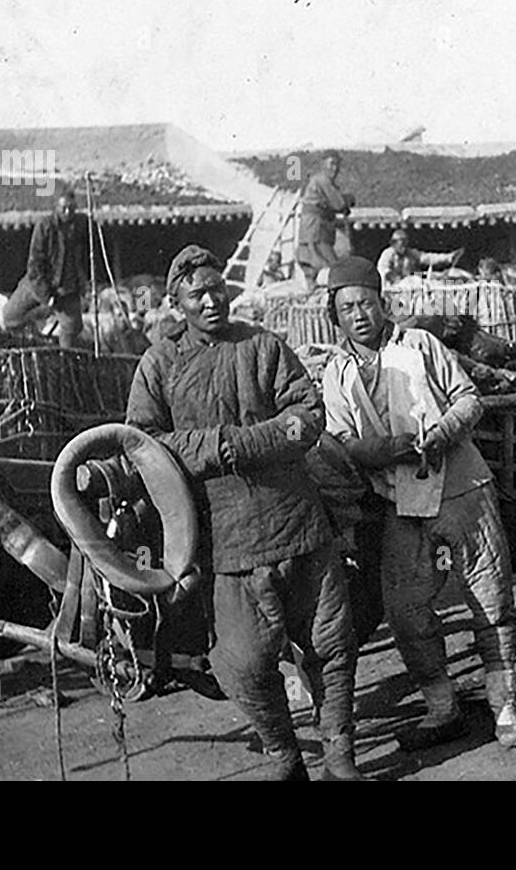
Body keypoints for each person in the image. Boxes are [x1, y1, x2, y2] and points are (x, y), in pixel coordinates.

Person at [126, 245, 361, 781]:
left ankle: (340, 755)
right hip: (226, 539)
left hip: (298, 522)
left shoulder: (263, 345)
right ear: (176, 303)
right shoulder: (158, 364)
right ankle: (283, 753)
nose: (211, 301)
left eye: (217, 289)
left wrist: (242, 445)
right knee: (245, 661)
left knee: (330, 642)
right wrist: (221, 447)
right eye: (196, 294)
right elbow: (144, 444)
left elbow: (307, 415)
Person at [320, 256, 516, 751]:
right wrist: (383, 449)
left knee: (491, 600)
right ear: (336, 315)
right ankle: (444, 708)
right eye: (347, 307)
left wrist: (441, 434)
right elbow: (340, 439)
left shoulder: (420, 345)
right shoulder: (337, 373)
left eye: (366, 304)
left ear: (382, 304)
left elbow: (469, 399)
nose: (359, 315)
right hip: (399, 503)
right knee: (407, 613)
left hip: (462, 489)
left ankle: (506, 708)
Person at [2, 187, 89, 347]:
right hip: (38, 284)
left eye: (71, 208)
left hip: (66, 291)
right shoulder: (45, 226)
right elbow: (35, 265)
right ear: (56, 208)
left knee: (71, 331)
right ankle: (34, 334)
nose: (68, 212)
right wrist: (46, 295)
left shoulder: (81, 225)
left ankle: (64, 361)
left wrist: (83, 284)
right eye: (64, 208)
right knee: (10, 316)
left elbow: (88, 257)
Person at [296, 151, 355, 291]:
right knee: (328, 261)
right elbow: (338, 203)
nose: (334, 168)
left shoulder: (327, 183)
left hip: (317, 226)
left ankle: (314, 290)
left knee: (313, 260)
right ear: (323, 165)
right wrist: (348, 199)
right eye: (331, 164)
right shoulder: (322, 180)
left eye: (337, 165)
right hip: (316, 227)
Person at [376, 229, 463, 288]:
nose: (403, 247)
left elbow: (426, 257)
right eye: (401, 243)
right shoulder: (387, 254)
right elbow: (384, 271)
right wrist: (395, 278)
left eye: (405, 243)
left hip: (411, 283)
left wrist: (448, 257)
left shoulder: (410, 253)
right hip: (394, 288)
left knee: (434, 278)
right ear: (394, 243)